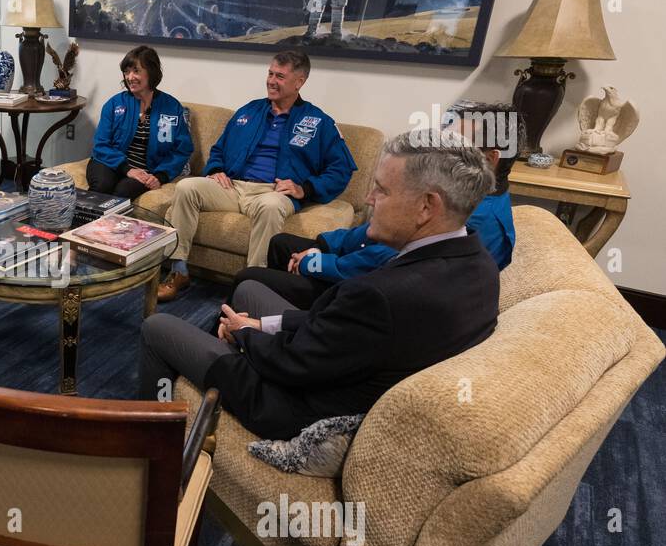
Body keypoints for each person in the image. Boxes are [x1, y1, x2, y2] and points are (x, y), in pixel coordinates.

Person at [138, 130, 499, 440]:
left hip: (293, 405)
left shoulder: (381, 296)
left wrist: (246, 335)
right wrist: (258, 324)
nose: (370, 200)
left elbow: (294, 363)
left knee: (157, 326)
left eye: (382, 191)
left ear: (426, 207)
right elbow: (334, 333)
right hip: (339, 365)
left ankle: (149, 442)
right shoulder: (480, 265)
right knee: (249, 290)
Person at [223, 101, 521, 316]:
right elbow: (372, 232)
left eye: (453, 144)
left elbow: (383, 260)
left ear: (490, 159)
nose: (437, 149)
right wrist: (326, 245)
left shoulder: (470, 218)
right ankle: (263, 319)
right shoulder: (451, 193)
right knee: (281, 244)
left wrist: (315, 263)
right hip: (359, 265)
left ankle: (247, 329)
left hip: (362, 287)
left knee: (249, 278)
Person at [157, 50, 355, 301]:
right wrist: (216, 170)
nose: (271, 81)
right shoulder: (249, 111)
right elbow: (219, 149)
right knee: (187, 187)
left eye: (280, 76)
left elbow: (341, 169)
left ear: (299, 82)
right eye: (270, 73)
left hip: (272, 193)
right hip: (234, 186)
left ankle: (251, 289)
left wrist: (305, 188)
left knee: (271, 207)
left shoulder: (318, 122)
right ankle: (178, 270)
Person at [87, 45, 193, 200]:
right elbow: (101, 144)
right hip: (109, 163)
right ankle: (83, 222)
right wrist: (127, 169)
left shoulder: (171, 107)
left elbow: (182, 149)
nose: (130, 77)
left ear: (151, 72)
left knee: (123, 193)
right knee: (102, 186)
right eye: (126, 71)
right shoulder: (115, 104)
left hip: (145, 171)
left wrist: (161, 176)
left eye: (136, 71)